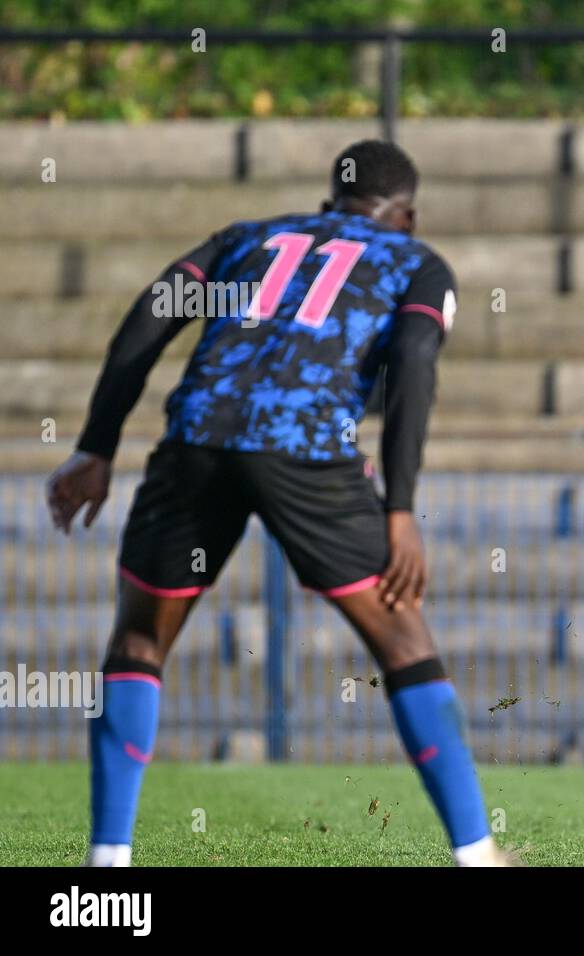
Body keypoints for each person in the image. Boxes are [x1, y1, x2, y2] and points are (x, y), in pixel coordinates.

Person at [46, 139, 510, 866]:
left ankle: (108, 861)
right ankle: (478, 855)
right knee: (404, 642)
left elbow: (148, 314)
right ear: (408, 214)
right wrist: (400, 508)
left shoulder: (246, 237)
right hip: (307, 452)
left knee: (138, 643)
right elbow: (416, 361)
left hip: (196, 437)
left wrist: (95, 447)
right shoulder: (416, 262)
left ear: (333, 199)